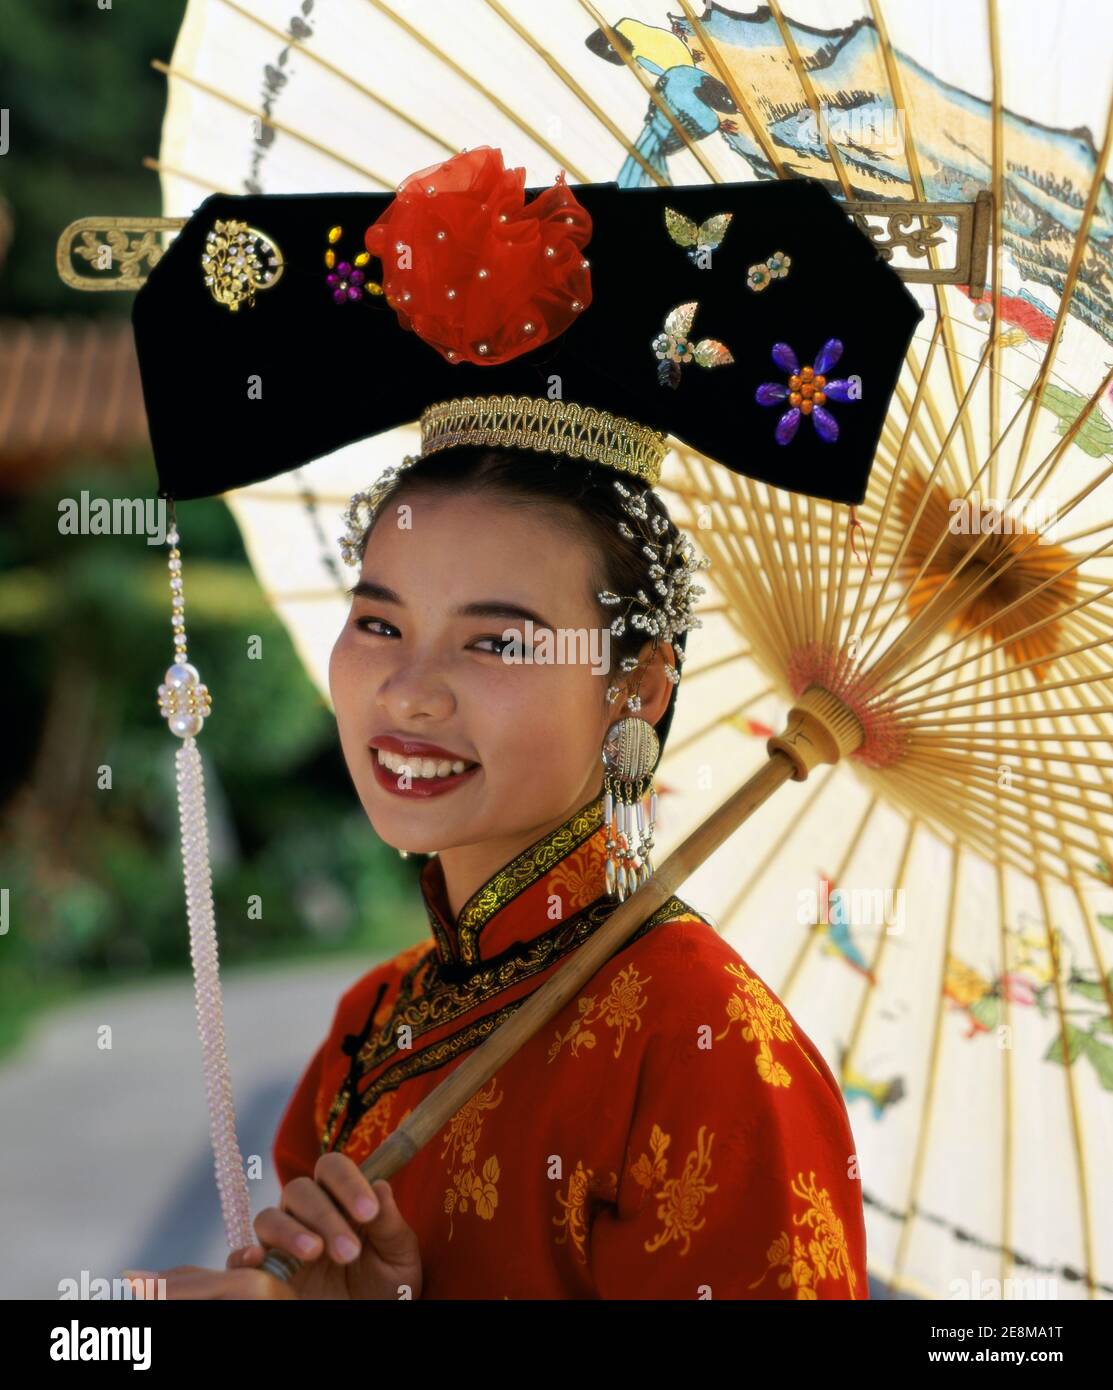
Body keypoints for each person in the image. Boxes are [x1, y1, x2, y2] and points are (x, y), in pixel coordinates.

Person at [119, 144, 922, 1299]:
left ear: (637, 687)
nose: (409, 692)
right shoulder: (373, 1022)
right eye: (381, 623)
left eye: (496, 641)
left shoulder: (711, 1052)